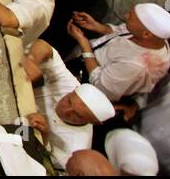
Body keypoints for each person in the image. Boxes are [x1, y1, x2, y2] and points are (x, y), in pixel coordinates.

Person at [23, 39, 116, 169]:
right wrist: (32, 60)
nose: (66, 110)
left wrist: (44, 135)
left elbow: (42, 163)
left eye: (76, 115)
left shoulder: (75, 149)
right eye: (69, 101)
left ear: (93, 122)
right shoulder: (70, 85)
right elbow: (45, 47)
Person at [66, 5, 170, 102]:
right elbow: (122, 30)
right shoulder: (154, 37)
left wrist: (84, 44)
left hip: (81, 83)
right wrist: (97, 26)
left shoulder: (136, 66)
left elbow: (101, 87)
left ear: (146, 34)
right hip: (83, 55)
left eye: (130, 17)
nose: (125, 15)